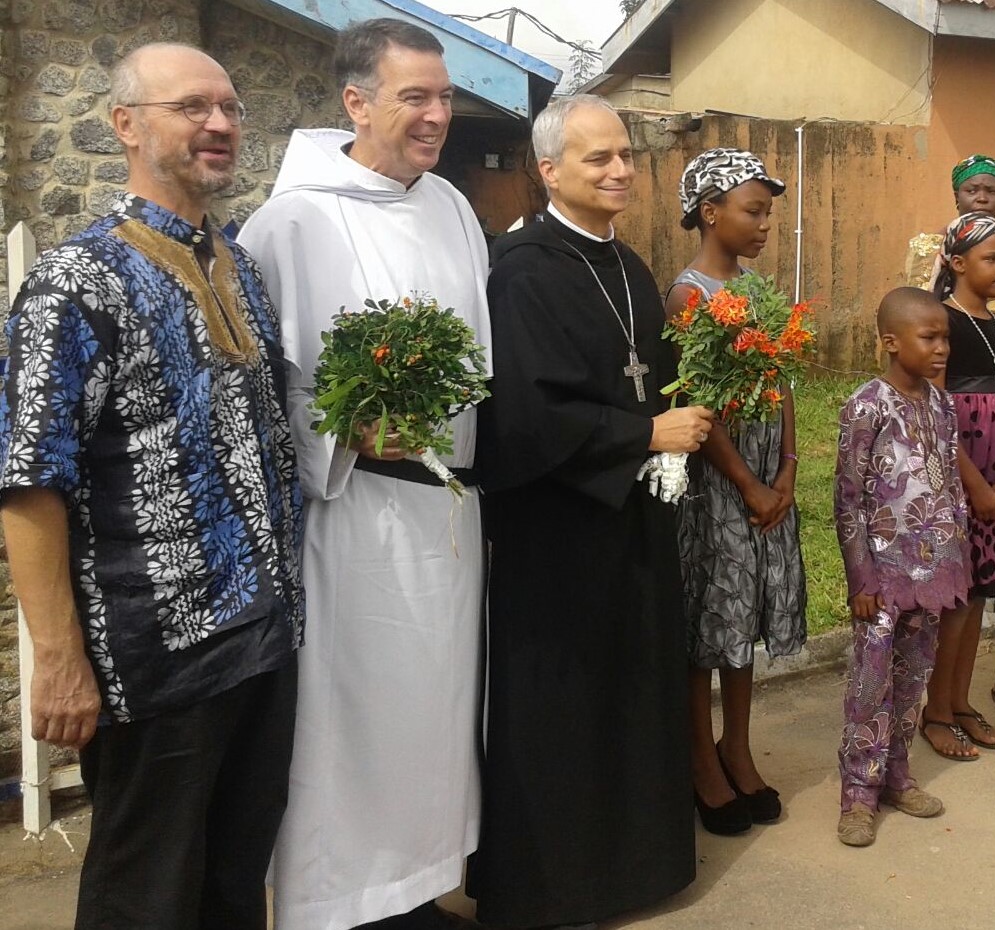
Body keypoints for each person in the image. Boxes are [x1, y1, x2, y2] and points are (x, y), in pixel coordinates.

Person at [0, 43, 304, 929]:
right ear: (125, 125)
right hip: (157, 656)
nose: (219, 125)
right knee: (147, 896)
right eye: (192, 107)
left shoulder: (238, 265)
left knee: (234, 880)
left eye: (231, 108)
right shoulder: (73, 282)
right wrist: (57, 660)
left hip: (265, 639)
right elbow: (28, 481)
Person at [237, 19, 489, 930]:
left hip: (447, 517)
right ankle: (338, 903)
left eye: (445, 96)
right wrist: (344, 432)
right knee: (352, 723)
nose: (435, 116)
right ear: (355, 102)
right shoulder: (291, 220)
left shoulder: (452, 206)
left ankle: (418, 886)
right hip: (354, 518)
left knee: (434, 714)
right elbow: (262, 385)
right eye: (412, 97)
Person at [469, 95, 712, 929]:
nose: (617, 170)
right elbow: (529, 416)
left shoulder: (630, 264)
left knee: (634, 687)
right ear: (548, 171)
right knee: (567, 704)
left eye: (624, 157)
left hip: (632, 517)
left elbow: (649, 367)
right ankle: (558, 881)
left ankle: (638, 864)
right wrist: (646, 432)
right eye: (596, 158)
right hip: (561, 531)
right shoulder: (524, 270)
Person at [663, 148, 806, 837]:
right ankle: (699, 756)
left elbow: (779, 384)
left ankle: (738, 747)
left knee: (744, 616)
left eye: (769, 212)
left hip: (762, 476)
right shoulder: (689, 294)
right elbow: (695, 400)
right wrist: (747, 480)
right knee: (709, 619)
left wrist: (786, 467)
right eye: (754, 210)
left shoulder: (758, 291)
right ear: (709, 211)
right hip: (716, 481)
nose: (765, 223)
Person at [834, 287, 969, 847]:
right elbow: (847, 498)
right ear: (891, 343)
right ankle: (857, 796)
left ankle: (897, 777)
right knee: (872, 685)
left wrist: (956, 562)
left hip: (931, 577)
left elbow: (952, 487)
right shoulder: (866, 405)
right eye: (929, 337)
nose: (941, 349)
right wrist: (860, 576)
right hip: (883, 580)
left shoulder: (942, 404)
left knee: (913, 680)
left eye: (945, 339)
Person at [922, 213, 995, 760]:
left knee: (980, 595)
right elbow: (938, 413)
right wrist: (977, 487)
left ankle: (960, 703)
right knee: (956, 599)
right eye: (992, 259)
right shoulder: (943, 321)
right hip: (962, 478)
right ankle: (936, 710)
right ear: (959, 263)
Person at [904, 154, 995, 299]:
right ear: (956, 197)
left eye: (992, 191)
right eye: (972, 191)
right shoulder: (928, 248)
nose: (982, 198)